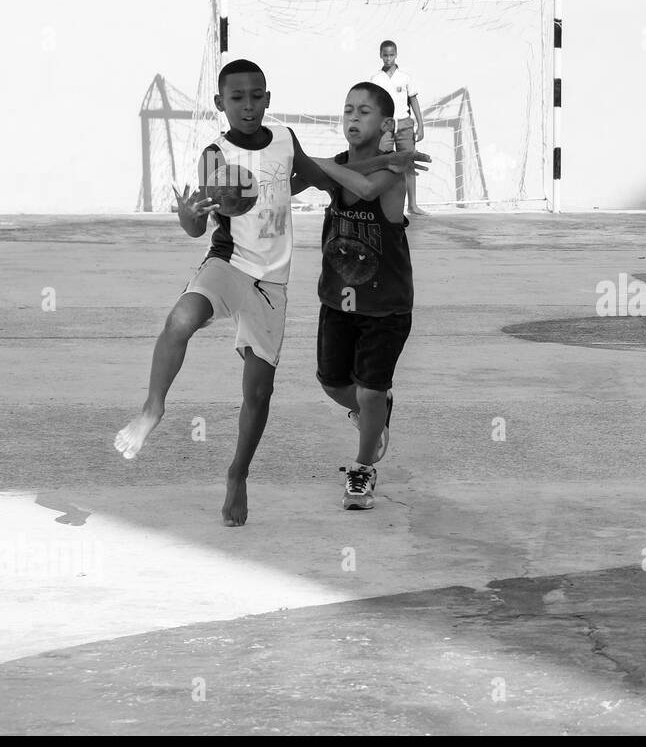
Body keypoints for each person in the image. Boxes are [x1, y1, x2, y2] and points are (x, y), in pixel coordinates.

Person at [113, 59, 423, 526]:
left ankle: (237, 477)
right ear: (221, 104)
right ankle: (152, 407)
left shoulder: (283, 140)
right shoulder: (215, 154)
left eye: (257, 96)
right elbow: (198, 226)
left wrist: (384, 160)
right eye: (237, 98)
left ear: (268, 100)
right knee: (179, 320)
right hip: (228, 263)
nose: (248, 105)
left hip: (271, 284)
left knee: (258, 392)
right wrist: (187, 213)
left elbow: (320, 175)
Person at [291, 82, 415, 510]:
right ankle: (375, 411)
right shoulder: (342, 166)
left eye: (364, 112)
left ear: (384, 124)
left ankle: (363, 468)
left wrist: (316, 163)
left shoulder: (393, 171)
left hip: (386, 307)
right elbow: (290, 184)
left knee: (369, 390)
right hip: (337, 300)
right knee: (331, 382)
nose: (353, 118)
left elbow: (364, 190)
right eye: (348, 110)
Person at [371, 40, 426, 216]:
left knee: (408, 164)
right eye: (385, 55)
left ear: (396, 55)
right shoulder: (376, 79)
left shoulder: (405, 77)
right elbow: (372, 104)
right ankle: (385, 205)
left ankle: (412, 205)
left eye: (391, 55)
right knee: (383, 164)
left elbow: (414, 101)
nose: (388, 58)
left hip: (404, 124)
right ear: (380, 55)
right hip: (385, 125)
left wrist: (420, 125)